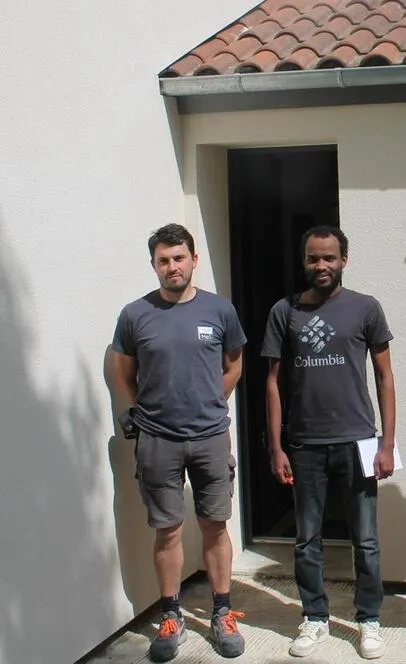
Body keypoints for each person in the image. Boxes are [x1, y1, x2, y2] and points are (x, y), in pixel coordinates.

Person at [107, 223, 247, 662]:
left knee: (214, 526)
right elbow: (119, 371)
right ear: (154, 265)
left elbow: (234, 365)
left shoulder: (220, 311)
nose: (172, 266)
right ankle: (171, 616)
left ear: (193, 259)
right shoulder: (135, 315)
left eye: (179, 257)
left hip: (209, 438)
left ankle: (222, 613)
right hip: (158, 441)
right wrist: (131, 411)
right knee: (167, 531)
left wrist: (208, 401)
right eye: (163, 260)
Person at [261, 225, 396, 660]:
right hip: (305, 444)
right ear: (304, 261)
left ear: (344, 260)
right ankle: (315, 617)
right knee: (307, 539)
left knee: (367, 539)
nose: (321, 266)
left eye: (329, 258)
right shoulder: (285, 312)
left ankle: (368, 619)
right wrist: (276, 446)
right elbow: (273, 382)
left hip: (357, 440)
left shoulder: (365, 308)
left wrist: (387, 443)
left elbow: (385, 377)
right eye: (313, 258)